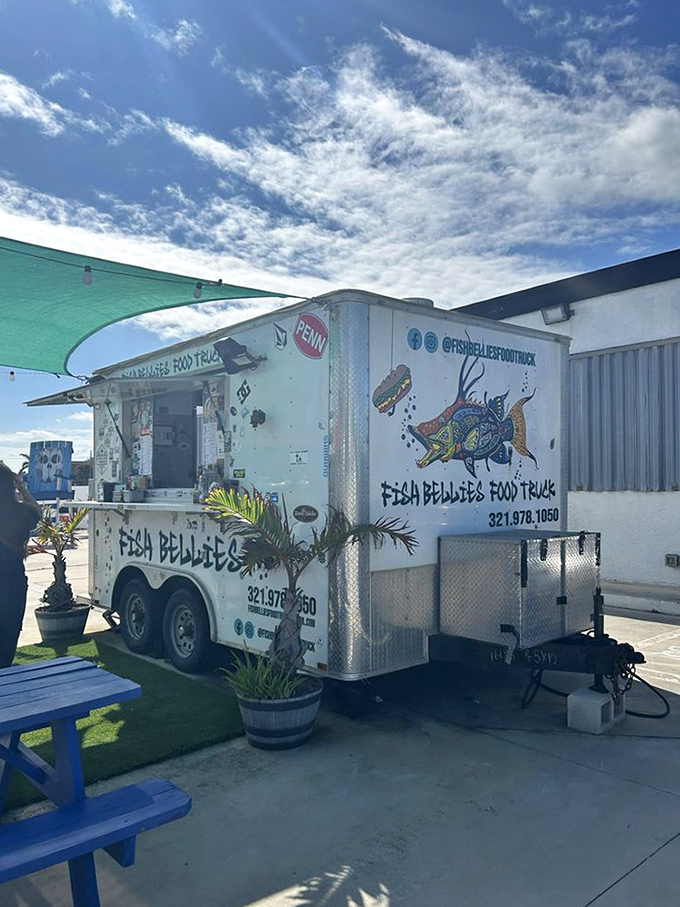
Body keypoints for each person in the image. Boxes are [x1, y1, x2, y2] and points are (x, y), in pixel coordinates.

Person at [0, 464, 42, 668]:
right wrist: (23, 488)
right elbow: (37, 511)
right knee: (8, 637)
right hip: (14, 582)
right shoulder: (21, 513)